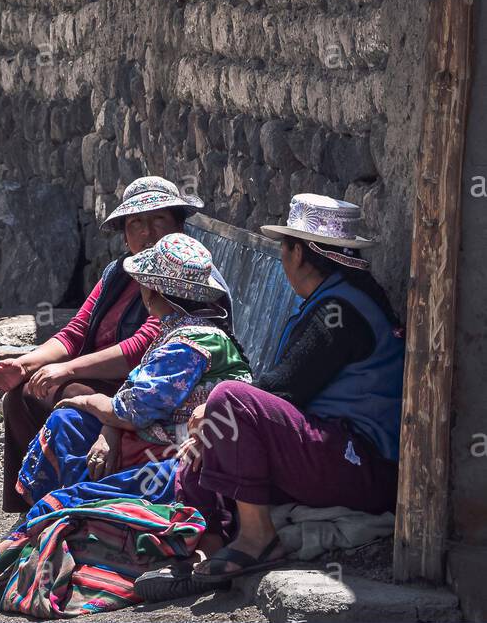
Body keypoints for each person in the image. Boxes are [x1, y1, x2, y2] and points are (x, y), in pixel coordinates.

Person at [0, 233, 251, 612]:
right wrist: (99, 419)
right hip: (164, 446)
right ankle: (31, 536)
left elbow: (131, 409)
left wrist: (84, 399)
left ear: (154, 292)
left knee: (73, 495)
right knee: (68, 426)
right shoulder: (181, 331)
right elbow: (131, 397)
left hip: (185, 465)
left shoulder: (188, 344)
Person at [135, 194, 405, 601]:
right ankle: (208, 550)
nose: (282, 258)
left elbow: (286, 388)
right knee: (199, 451)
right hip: (331, 453)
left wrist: (214, 411)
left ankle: (256, 538)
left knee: (229, 401)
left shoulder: (341, 311)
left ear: (297, 253)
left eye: (284, 248)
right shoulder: (334, 299)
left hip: (361, 464)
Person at [0, 176, 210, 512]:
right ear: (125, 234)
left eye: (158, 219)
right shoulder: (117, 273)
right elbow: (76, 331)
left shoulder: (183, 277)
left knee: (67, 397)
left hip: (151, 386)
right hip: (105, 378)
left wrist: (66, 370)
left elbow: (142, 346)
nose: (147, 232)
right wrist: (26, 364)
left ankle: (76, 503)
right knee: (22, 395)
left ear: (178, 226)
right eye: (136, 223)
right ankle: (33, 504)